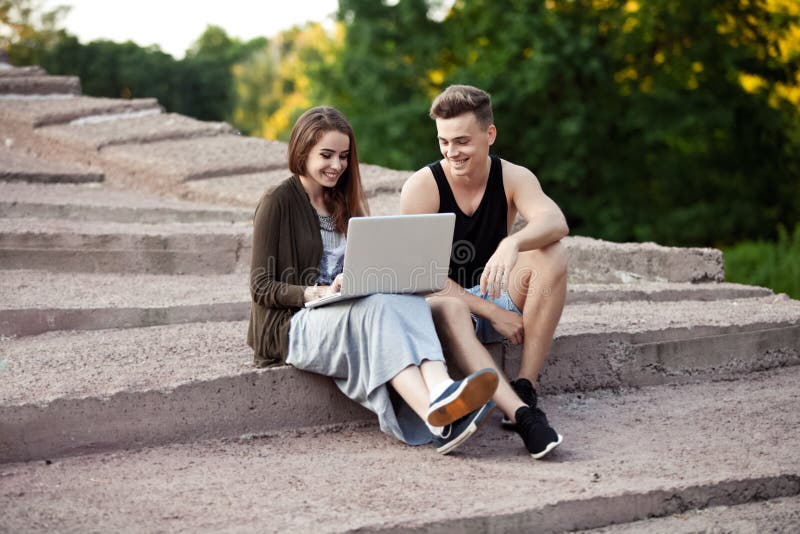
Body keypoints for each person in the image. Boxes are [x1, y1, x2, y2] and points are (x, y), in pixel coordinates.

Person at [247, 105, 499, 454]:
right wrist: (316, 292)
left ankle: (442, 390)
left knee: (407, 296)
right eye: (326, 155)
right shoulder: (277, 201)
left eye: (344, 156)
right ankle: (435, 417)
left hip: (344, 308)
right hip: (292, 325)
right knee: (378, 310)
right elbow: (260, 286)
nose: (337, 165)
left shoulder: (342, 200)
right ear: (302, 151)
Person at [400, 85, 568, 459]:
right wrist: (493, 313)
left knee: (552, 252)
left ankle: (525, 386)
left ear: (489, 134)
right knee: (451, 305)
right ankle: (521, 415)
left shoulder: (513, 176)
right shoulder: (422, 187)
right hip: (448, 308)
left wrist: (512, 243)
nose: (451, 152)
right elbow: (420, 276)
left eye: (462, 141)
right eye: (443, 142)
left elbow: (555, 221)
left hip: (497, 290)